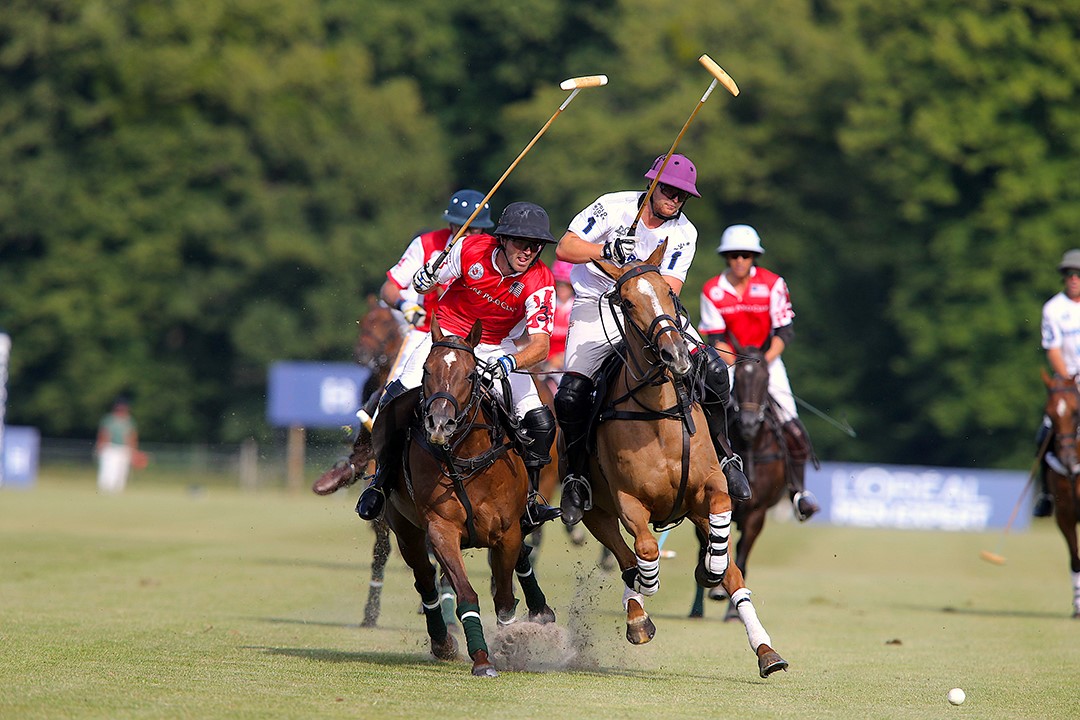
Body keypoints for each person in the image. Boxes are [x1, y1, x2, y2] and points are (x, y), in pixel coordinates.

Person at [553, 153, 749, 526]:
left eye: (681, 196)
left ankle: (726, 457)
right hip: (596, 303)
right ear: (653, 184)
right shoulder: (613, 208)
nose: (674, 200)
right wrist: (604, 250)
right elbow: (565, 247)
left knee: (715, 371)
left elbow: (671, 287)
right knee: (570, 396)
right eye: (669, 191)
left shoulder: (684, 233)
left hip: (653, 309)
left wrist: (637, 271)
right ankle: (577, 477)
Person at [355, 201, 562, 533]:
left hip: (498, 347)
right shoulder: (469, 248)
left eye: (536, 245)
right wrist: (424, 281)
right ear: (503, 240)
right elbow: (430, 282)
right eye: (522, 242)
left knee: (540, 422)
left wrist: (509, 362)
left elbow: (541, 345)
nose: (529, 251)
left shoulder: (541, 280)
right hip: (446, 336)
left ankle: (531, 500)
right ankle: (380, 483)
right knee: (394, 398)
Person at [313, 189, 493, 496]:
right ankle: (359, 467)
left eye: (475, 228)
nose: (468, 232)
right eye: (461, 225)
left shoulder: (492, 251)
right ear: (450, 223)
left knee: (517, 407)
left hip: (476, 339)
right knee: (389, 397)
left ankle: (530, 489)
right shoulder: (427, 244)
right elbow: (390, 288)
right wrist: (406, 306)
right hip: (426, 333)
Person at [698, 224, 820, 521]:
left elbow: (784, 331)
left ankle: (798, 491)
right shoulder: (712, 289)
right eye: (734, 255)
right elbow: (715, 337)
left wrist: (761, 362)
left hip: (768, 362)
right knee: (706, 414)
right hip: (730, 362)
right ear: (726, 258)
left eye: (746, 255)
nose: (740, 260)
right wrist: (740, 365)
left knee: (790, 421)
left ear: (755, 257)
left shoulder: (773, 283)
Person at [1034, 248, 1080, 516]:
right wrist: (1067, 380)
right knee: (1044, 434)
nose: (1073, 279)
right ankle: (1046, 495)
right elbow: (1053, 349)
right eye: (1069, 274)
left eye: (1078, 275)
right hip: (1067, 384)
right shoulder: (1053, 309)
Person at [95, 396, 139, 494]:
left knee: (122, 471)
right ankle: (105, 490)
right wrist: (100, 446)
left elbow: (132, 436)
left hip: (124, 448)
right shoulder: (109, 419)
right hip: (110, 447)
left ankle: (117, 491)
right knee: (108, 469)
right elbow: (104, 434)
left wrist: (133, 451)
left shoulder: (129, 421)